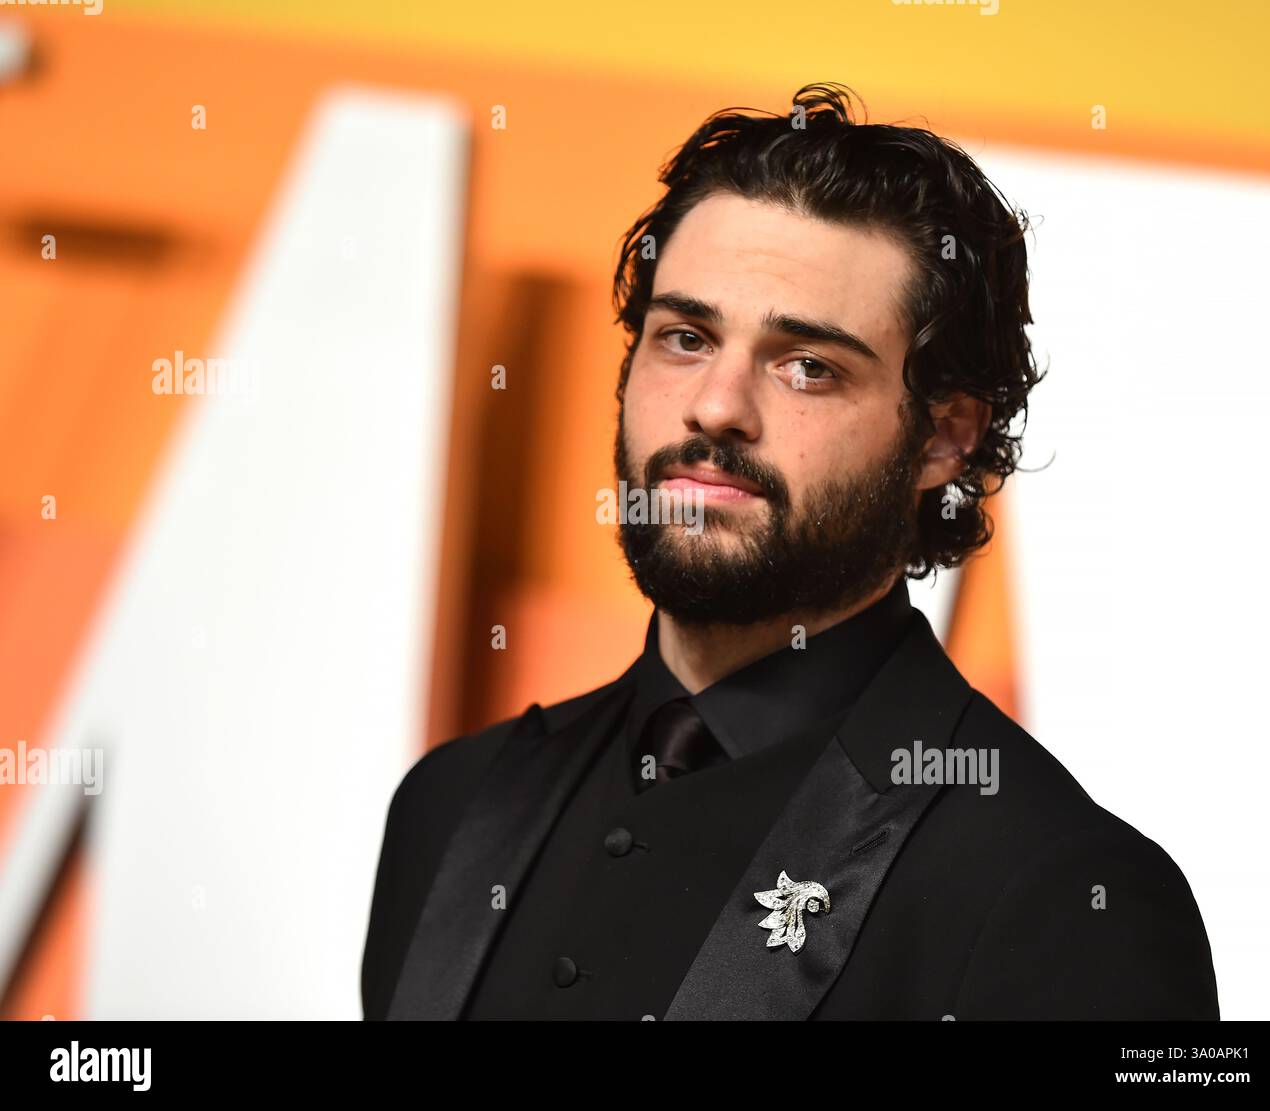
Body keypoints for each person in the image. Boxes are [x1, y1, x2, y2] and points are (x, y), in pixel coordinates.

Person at [361, 82, 1218, 1021]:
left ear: (944, 437)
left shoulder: (1063, 894)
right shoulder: (452, 805)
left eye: (807, 364)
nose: (717, 405)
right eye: (684, 337)